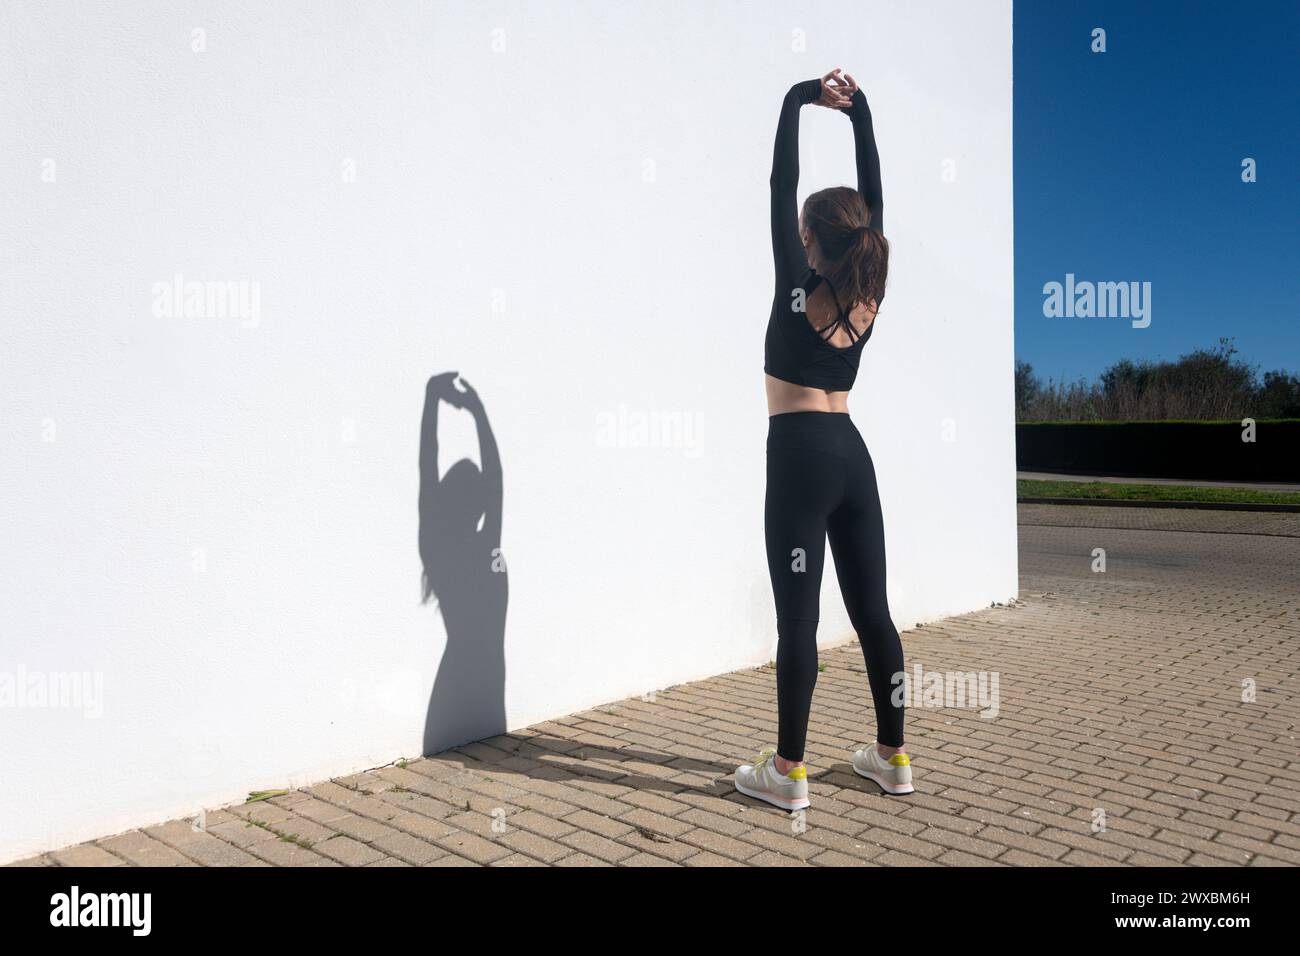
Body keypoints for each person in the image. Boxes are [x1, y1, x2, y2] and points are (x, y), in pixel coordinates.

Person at [733, 69, 912, 812]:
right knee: (874, 611)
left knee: (799, 620)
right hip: (852, 456)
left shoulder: (796, 286)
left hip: (800, 454)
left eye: (804, 230)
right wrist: (859, 111)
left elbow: (781, 183)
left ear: (811, 238)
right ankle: (893, 757)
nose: (797, 235)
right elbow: (872, 196)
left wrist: (795, 100)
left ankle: (789, 772)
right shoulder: (868, 292)